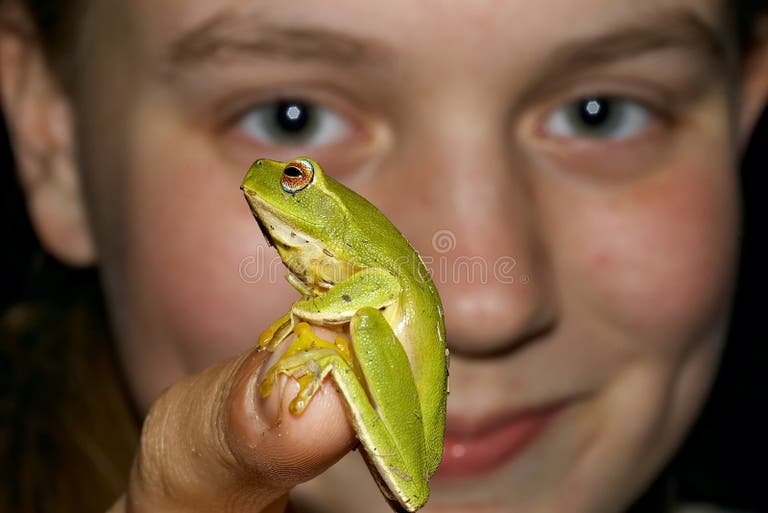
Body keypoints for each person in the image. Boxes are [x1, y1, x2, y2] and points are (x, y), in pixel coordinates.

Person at [1, 1, 766, 512]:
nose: (487, 305)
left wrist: (314, 320)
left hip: (377, 330)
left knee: (360, 328)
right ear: (53, 145)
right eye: (289, 117)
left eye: (598, 113)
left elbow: (369, 284)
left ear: (746, 108)